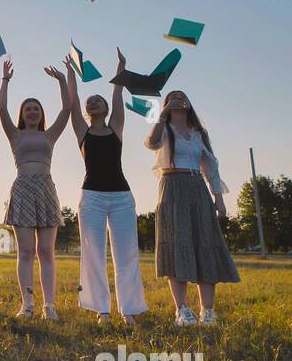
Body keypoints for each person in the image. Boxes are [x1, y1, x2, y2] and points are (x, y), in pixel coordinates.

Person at [144, 89, 240, 326]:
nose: (178, 99)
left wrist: (219, 198)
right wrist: (162, 114)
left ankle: (207, 311)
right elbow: (150, 143)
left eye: (181, 96)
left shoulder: (199, 133)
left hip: (197, 187)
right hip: (172, 187)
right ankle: (182, 310)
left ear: (188, 103)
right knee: (177, 246)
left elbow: (211, 166)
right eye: (172, 97)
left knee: (205, 245)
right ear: (167, 103)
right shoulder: (164, 129)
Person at [73, 48, 147, 325]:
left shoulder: (116, 126)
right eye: (89, 101)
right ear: (86, 111)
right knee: (93, 253)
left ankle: (128, 310)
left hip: (122, 197)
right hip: (91, 197)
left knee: (126, 253)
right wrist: (70, 73)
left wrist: (121, 66)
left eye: (98, 100)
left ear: (105, 108)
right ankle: (101, 310)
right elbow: (71, 101)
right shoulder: (82, 130)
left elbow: (117, 93)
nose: (93, 102)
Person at [0, 56, 73, 319]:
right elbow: (2, 110)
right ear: (23, 113)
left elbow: (67, 110)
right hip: (23, 189)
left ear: (41, 114)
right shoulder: (14, 134)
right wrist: (5, 80)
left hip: (45, 188)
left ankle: (49, 305)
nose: (32, 112)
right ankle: (27, 304)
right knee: (26, 251)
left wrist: (62, 80)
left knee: (46, 251)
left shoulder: (49, 135)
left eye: (36, 109)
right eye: (28, 108)